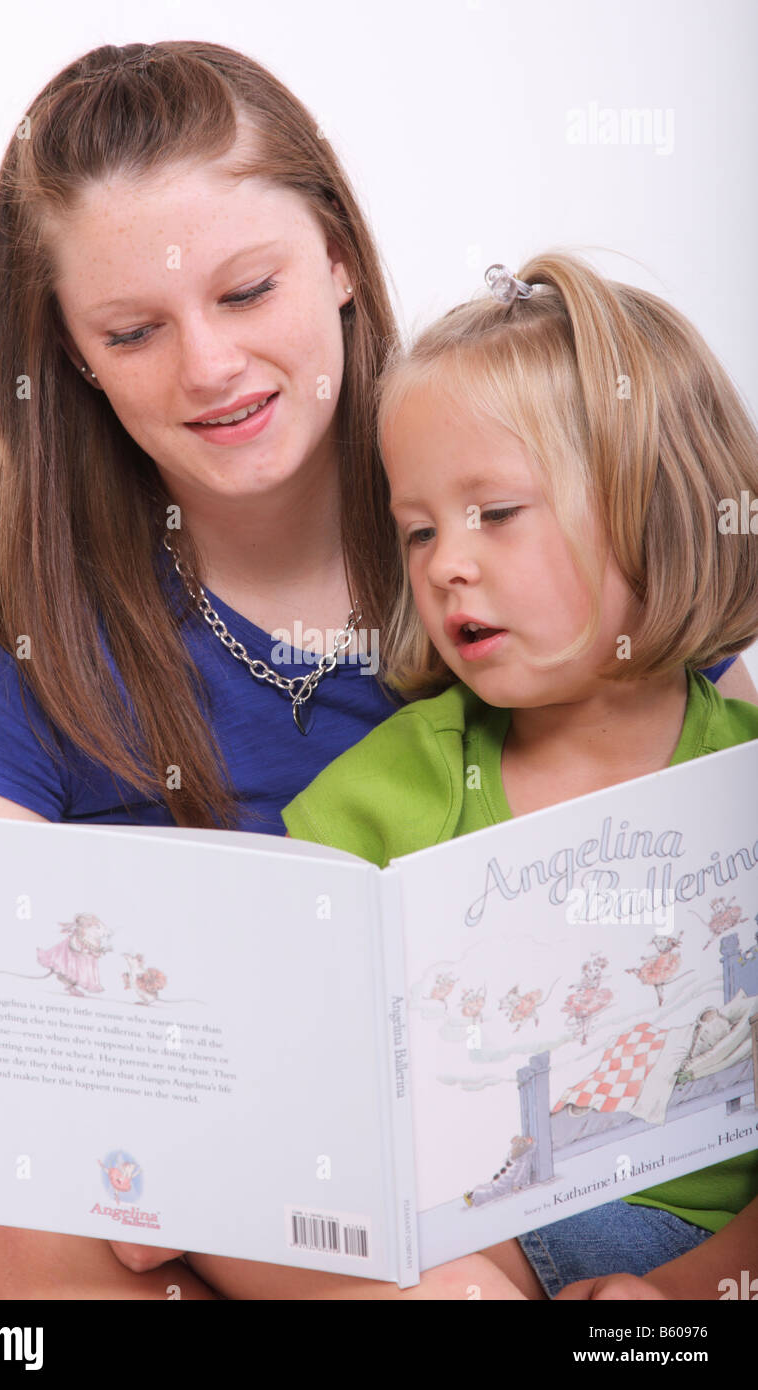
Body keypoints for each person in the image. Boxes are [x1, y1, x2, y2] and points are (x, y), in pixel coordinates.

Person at [0, 40, 753, 1298]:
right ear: (70, 355)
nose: (209, 367)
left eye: (249, 292)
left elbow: (697, 741)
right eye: (132, 330)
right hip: (200, 1223)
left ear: (339, 257)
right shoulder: (15, 665)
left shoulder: (551, 541)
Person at [275, 252, 758, 1299]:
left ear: (654, 507)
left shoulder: (740, 775)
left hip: (706, 1254)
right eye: (417, 529)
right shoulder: (387, 788)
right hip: (454, 1253)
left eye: (493, 512)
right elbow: (301, 1078)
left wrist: (683, 1292)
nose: (446, 560)